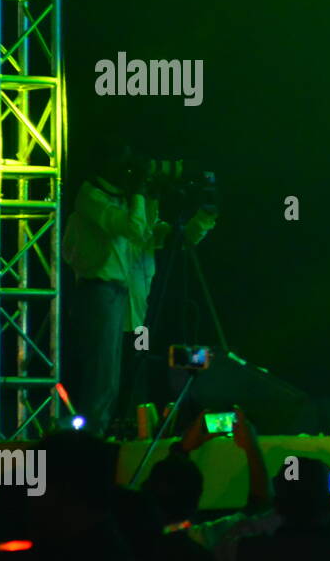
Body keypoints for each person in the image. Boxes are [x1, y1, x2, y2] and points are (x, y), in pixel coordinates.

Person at [63, 143, 216, 432]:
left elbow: (163, 238)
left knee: (134, 369)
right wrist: (140, 192)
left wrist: (203, 218)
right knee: (103, 374)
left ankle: (126, 430)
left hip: (133, 302)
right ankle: (92, 436)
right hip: (101, 293)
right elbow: (134, 229)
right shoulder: (92, 196)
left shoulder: (130, 202)